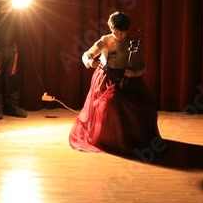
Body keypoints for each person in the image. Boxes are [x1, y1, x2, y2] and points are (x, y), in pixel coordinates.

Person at [69, 11, 161, 155]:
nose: (119, 35)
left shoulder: (133, 42)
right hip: (107, 78)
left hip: (128, 78)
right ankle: (108, 140)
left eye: (122, 32)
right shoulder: (105, 40)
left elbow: (143, 66)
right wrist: (90, 61)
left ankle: (131, 139)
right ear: (111, 29)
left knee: (145, 104)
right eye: (116, 32)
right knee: (110, 102)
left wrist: (134, 73)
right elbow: (86, 54)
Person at [0, 3, 28, 119]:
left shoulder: (16, 5)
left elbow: (22, 24)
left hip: (10, 46)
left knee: (13, 77)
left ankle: (13, 106)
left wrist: (16, 11)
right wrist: (1, 11)